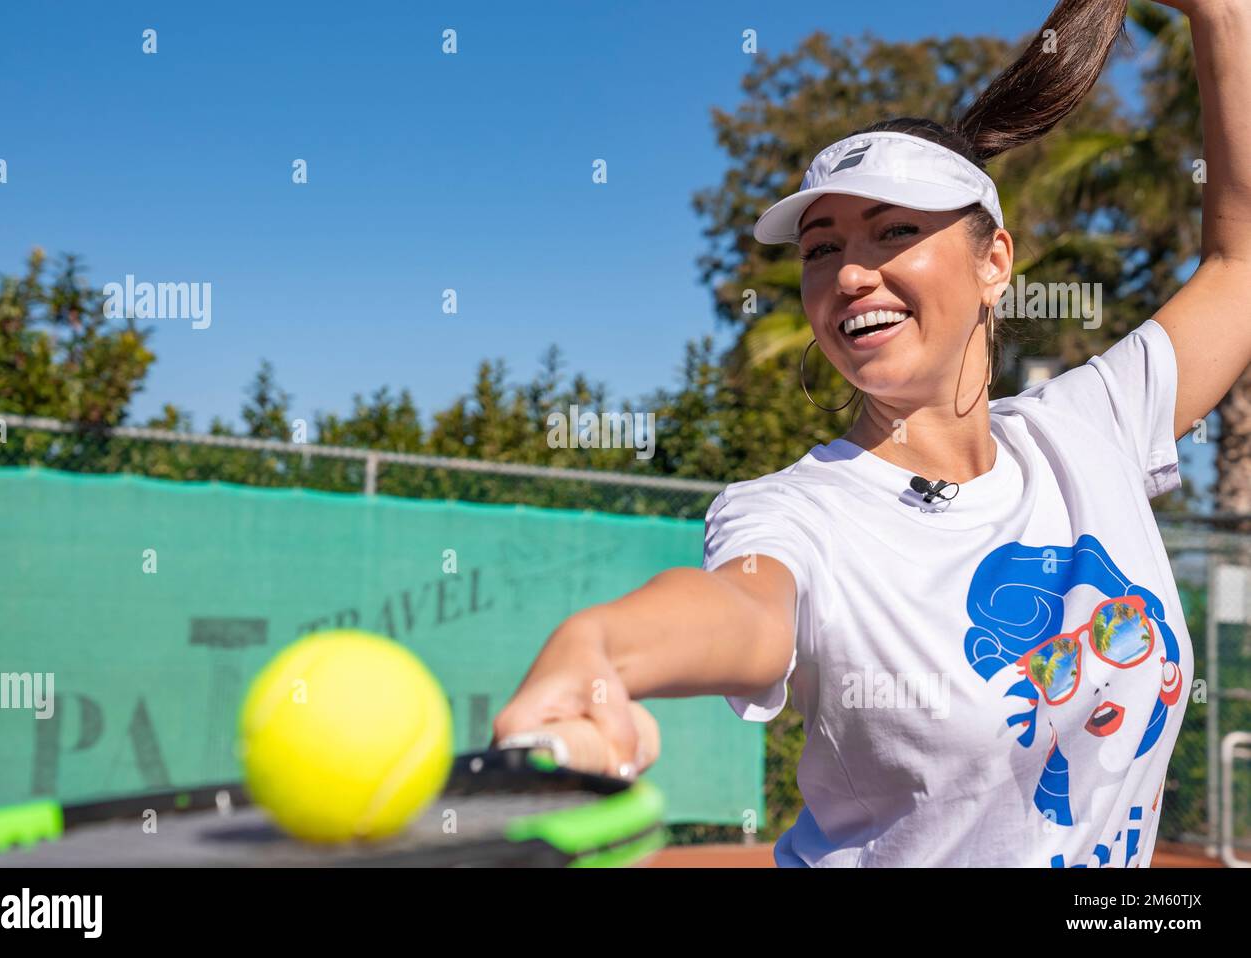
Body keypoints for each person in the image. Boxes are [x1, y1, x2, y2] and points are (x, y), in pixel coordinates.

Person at [494, 0, 1251, 866]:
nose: (851, 273)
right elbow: (745, 609)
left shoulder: (1090, 430)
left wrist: (1224, 15)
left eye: (895, 231)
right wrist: (600, 649)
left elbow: (1241, 260)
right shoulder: (794, 512)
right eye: (822, 248)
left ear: (994, 261)